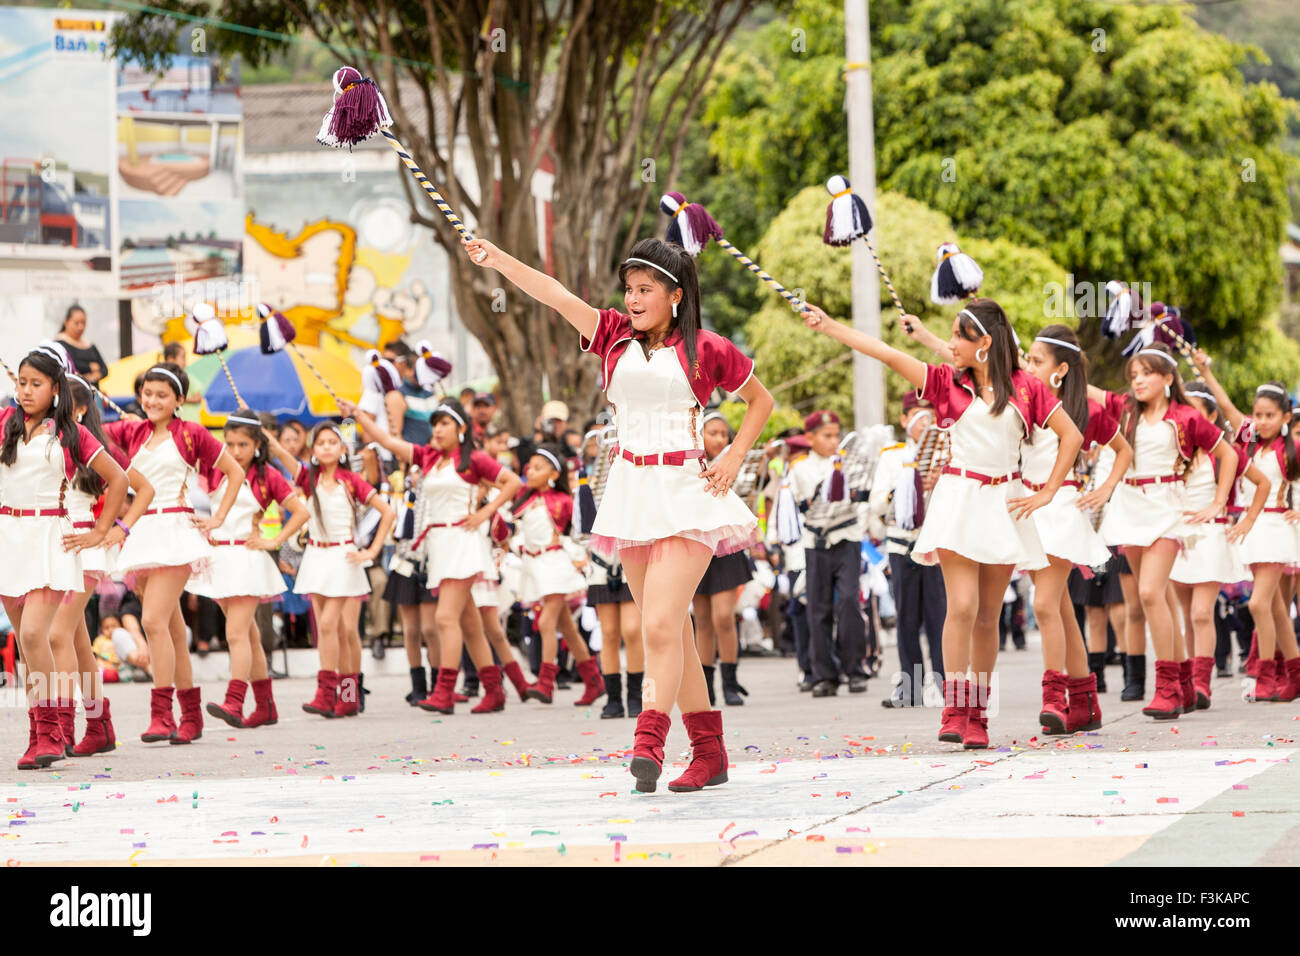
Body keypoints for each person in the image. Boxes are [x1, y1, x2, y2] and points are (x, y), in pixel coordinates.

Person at [465, 233, 773, 794]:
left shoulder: (706, 347)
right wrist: (498, 257)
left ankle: (648, 738)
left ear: (675, 295)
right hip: (630, 492)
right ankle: (711, 753)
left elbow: (762, 402)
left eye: (646, 289)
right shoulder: (610, 336)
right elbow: (554, 294)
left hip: (686, 490)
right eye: (629, 288)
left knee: (656, 626)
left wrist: (732, 455)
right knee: (670, 630)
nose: (632, 299)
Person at [805, 299, 1083, 750]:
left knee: (988, 617)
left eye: (958, 336)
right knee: (963, 606)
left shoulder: (1027, 387)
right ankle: (956, 707)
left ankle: (978, 713)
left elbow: (1071, 435)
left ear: (985, 343)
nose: (949, 344)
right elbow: (886, 353)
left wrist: (1049, 490)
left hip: (1005, 502)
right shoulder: (944, 381)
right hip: (958, 498)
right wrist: (831, 325)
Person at [341, 398, 521, 714]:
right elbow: (385, 441)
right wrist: (357, 414)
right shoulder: (428, 457)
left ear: (461, 428)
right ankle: (494, 691)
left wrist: (486, 512)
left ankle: (445, 692)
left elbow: (512, 482)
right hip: (439, 543)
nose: (437, 429)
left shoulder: (474, 459)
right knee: (470, 624)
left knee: (444, 618)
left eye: (445, 423)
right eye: (435, 423)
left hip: (462, 542)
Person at [1090, 344, 1239, 719]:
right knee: (1158, 599)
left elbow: (1231, 455)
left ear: (1168, 379)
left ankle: (1169, 687)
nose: (1137, 380)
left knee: (1149, 593)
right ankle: (1185, 683)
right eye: (1133, 375)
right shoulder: (1125, 410)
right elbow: (1083, 387)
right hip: (1130, 506)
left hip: (1168, 507)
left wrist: (1218, 501)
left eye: (1146, 374)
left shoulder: (1186, 416)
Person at [1, 345, 128, 769]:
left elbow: (119, 477)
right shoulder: (5, 423)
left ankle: (57, 730)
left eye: (36, 384)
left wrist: (102, 531)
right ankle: (39, 734)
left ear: (56, 388)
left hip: (50, 539)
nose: (26, 391)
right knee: (25, 643)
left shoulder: (70, 432)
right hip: (9, 537)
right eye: (21, 383)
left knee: (40, 635)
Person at [105, 362, 245, 743]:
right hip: (143, 531)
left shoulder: (192, 433)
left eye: (161, 395)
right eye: (147, 393)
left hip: (177, 531)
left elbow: (235, 472)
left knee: (151, 621)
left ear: (179, 400)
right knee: (169, 628)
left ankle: (162, 713)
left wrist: (217, 518)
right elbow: (89, 437)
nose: (152, 400)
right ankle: (191, 716)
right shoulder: (132, 430)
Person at [1019, 326, 1134, 734]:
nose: (1028, 366)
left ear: (1061, 368)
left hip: (1061, 507)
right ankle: (1085, 702)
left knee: (1045, 604)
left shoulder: (1087, 408)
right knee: (1062, 607)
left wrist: (1105, 489)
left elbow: (1124, 451)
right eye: (1027, 358)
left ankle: (1054, 696)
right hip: (1025, 507)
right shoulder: (1023, 398)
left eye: (1037, 360)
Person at [46, 377, 154, 756]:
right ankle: (98, 725)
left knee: (56, 636)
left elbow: (141, 489)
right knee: (76, 642)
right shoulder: (43, 442)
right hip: (52, 546)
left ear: (75, 409)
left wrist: (116, 528)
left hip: (85, 549)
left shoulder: (96, 446)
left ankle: (58, 728)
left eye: (55, 402)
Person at [1190, 351, 1300, 701]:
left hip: (1277, 528)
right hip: (1252, 530)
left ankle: (1266, 676)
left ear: (1285, 416)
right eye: (1258, 415)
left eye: (1271, 416)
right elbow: (1223, 403)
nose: (1263, 421)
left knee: (1258, 605)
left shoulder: (1292, 448)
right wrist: (1206, 370)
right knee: (1278, 609)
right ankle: (1294, 674)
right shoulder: (1249, 438)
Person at [190, 410, 310, 727]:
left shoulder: (268, 475)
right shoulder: (216, 470)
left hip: (247, 558)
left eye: (243, 443)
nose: (236, 450)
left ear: (257, 443)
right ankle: (266, 706)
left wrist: (274, 541)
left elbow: (301, 512)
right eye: (229, 443)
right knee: (250, 636)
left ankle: (234, 700)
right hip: (220, 560)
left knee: (235, 633)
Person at [267, 422, 394, 718]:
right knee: (339, 630)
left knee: (332, 627)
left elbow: (387, 511)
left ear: (342, 449)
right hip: (316, 557)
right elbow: (276, 449)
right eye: (320, 442)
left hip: (343, 557)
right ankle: (347, 697)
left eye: (331, 442)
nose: (325, 447)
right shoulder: (306, 478)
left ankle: (327, 694)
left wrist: (371, 551)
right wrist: (255, 424)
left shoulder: (351, 480)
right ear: (313, 450)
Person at [1169, 380, 1263, 708]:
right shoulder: (1173, 446)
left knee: (1200, 612)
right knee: (1184, 612)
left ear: (1210, 414)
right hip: (1176, 535)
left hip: (1210, 535)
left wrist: (1247, 520)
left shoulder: (1225, 451)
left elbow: (1261, 483)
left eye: (1195, 410)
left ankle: (1200, 683)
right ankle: (1185, 681)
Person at [505, 444, 601, 704]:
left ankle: (546, 682)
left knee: (547, 623)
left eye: (539, 467)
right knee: (567, 627)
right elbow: (517, 533)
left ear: (553, 474)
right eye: (530, 467)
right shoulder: (525, 499)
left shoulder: (564, 501)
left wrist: (583, 557)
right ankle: (594, 681)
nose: (531, 472)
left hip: (558, 565)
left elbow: (583, 532)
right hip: (535, 568)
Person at [869, 392, 946, 708]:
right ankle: (911, 687)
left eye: (929, 415)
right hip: (902, 544)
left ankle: (946, 685)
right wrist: (905, 486)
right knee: (907, 618)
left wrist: (942, 481)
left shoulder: (945, 454)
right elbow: (875, 505)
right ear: (904, 420)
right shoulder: (891, 456)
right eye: (916, 415)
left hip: (935, 545)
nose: (924, 422)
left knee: (940, 616)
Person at [788, 409, 869, 698]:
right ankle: (824, 674)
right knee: (818, 608)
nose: (833, 441)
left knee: (848, 601)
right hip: (816, 541)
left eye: (836, 435)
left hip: (847, 538)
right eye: (826, 436)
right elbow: (804, 505)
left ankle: (855, 668)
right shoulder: (799, 469)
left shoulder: (850, 464)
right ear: (810, 438)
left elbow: (861, 495)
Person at [691, 411, 753, 706]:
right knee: (701, 619)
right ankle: (707, 685)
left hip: (727, 546)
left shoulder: (738, 464)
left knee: (723, 617)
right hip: (696, 544)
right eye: (711, 432)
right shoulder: (689, 464)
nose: (718, 439)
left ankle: (730, 681)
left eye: (723, 434)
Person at [54, 305, 108, 384]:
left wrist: (95, 376)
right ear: (66, 322)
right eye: (76, 323)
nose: (80, 327)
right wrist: (90, 367)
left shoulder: (90, 345)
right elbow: (71, 364)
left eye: (83, 323)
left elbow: (104, 369)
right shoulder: (59, 344)